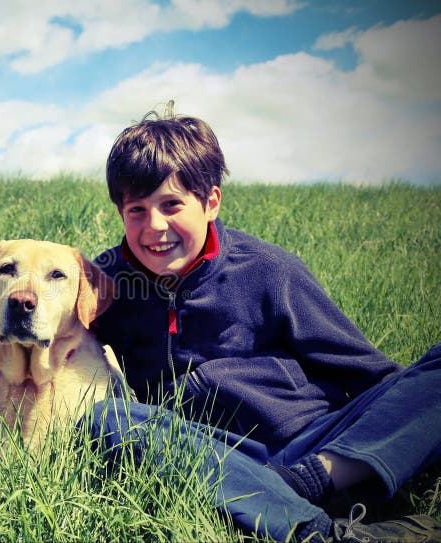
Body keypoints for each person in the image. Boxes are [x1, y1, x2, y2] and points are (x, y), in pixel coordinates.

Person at [86, 103, 441, 542]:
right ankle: (329, 534)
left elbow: (369, 373)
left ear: (211, 202)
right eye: (136, 210)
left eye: (171, 204)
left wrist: (393, 435)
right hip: (219, 459)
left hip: (318, 443)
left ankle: (306, 490)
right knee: (106, 419)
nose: (155, 227)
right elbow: (52, 340)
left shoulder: (268, 269)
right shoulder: (105, 284)